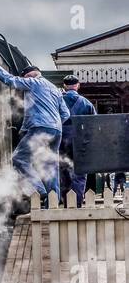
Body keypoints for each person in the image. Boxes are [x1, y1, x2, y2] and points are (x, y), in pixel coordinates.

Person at [0, 50, 69, 208]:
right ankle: (52, 204)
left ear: (29, 76)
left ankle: (40, 190)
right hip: (57, 131)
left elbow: (10, 80)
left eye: (24, 80)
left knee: (19, 158)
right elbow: (65, 113)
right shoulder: (54, 89)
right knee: (50, 166)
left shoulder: (34, 83)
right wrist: (54, 123)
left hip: (40, 128)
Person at [58, 75, 96, 208]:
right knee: (79, 174)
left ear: (64, 86)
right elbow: (94, 125)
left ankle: (67, 204)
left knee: (64, 173)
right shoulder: (87, 103)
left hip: (61, 142)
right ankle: (78, 204)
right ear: (78, 85)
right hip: (80, 142)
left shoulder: (57, 100)